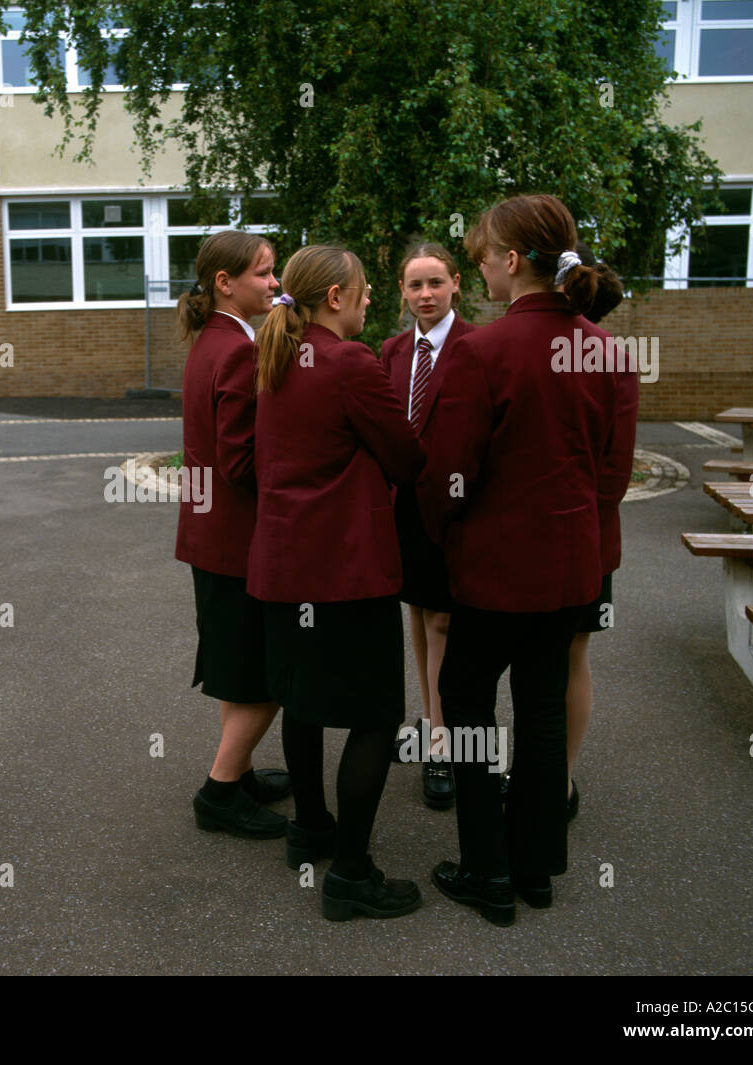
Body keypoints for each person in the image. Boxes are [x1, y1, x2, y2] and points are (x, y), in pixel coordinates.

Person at [418, 194, 636, 925]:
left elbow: (448, 471)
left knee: (471, 703)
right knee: (542, 707)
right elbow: (613, 476)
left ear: (512, 261)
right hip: (570, 566)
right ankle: (536, 868)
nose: (479, 266)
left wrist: (441, 532)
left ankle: (487, 871)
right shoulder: (606, 350)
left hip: (491, 569)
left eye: (482, 255)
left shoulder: (479, 350)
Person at [249, 244, 423, 921]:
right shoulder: (352, 363)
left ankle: (310, 826)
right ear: (335, 298)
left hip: (282, 568)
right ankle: (352, 872)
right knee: (377, 716)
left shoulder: (275, 356)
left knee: (304, 701)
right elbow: (407, 458)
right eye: (365, 289)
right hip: (346, 572)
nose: (373, 297)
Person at [176, 230, 293, 840]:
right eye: (264, 274)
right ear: (225, 283)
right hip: (239, 539)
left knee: (235, 665)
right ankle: (220, 791)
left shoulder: (212, 341)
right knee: (269, 674)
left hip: (211, 535)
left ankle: (239, 769)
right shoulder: (240, 351)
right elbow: (243, 462)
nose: (275, 284)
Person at [381, 242, 476, 810]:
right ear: (402, 291)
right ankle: (429, 719)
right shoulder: (391, 352)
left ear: (457, 284)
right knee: (418, 617)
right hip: (402, 511)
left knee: (441, 620)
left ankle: (441, 745)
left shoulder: (476, 348)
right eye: (415, 286)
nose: (425, 295)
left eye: (435, 283)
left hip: (454, 509)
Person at [562, 241, 631, 823]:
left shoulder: (600, 353)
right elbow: (615, 472)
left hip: (572, 538)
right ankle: (556, 780)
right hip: (590, 538)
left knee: (556, 660)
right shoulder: (614, 352)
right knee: (571, 656)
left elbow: (612, 471)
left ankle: (551, 779)